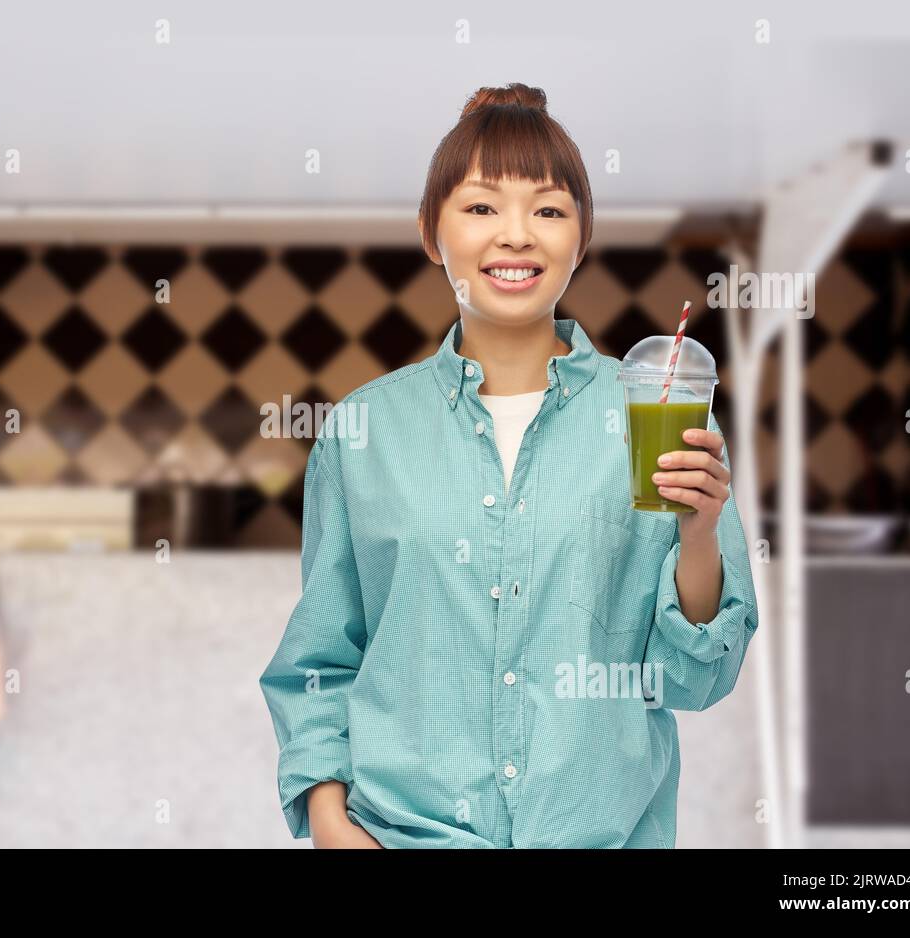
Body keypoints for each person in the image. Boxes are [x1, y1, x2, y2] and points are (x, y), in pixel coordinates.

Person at [258, 83, 759, 848]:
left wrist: (699, 535)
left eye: (549, 210)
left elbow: (690, 683)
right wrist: (329, 822)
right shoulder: (365, 430)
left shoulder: (658, 418)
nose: (516, 236)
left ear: (580, 236)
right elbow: (322, 660)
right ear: (433, 233)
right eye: (482, 207)